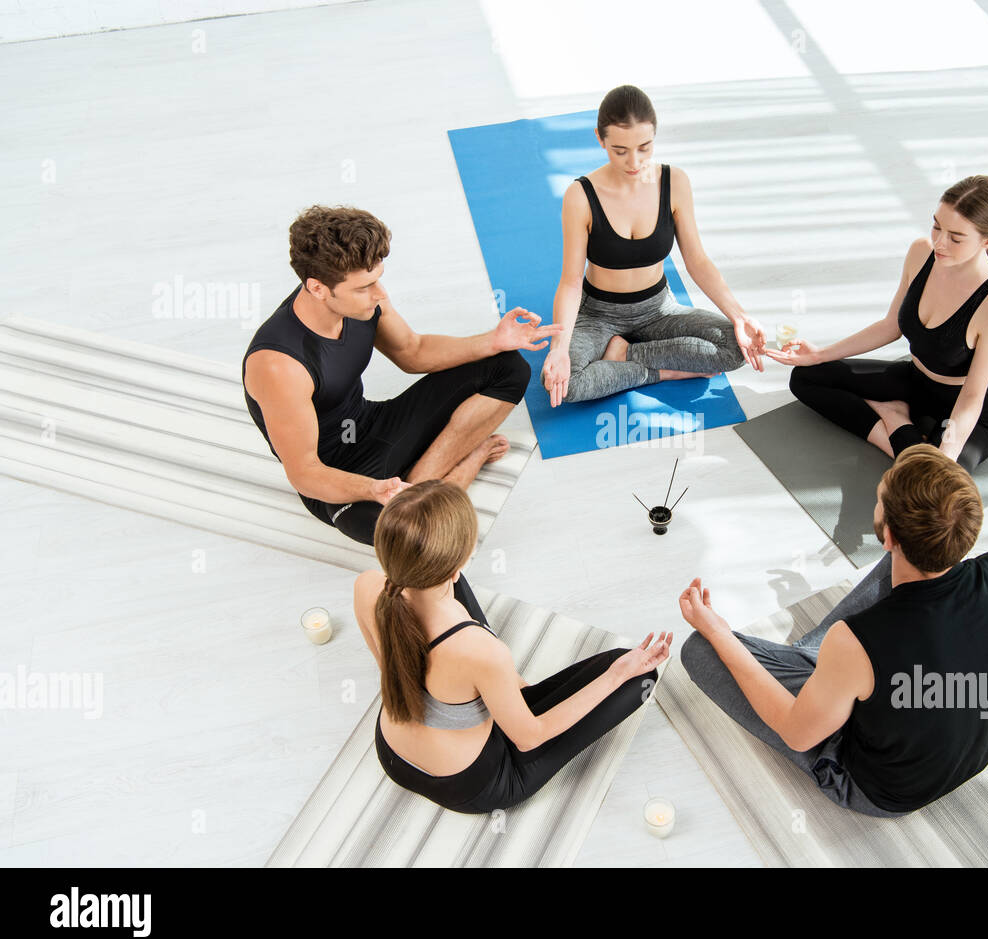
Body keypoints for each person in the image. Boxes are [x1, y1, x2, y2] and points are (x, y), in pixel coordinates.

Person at [677, 444, 988, 816]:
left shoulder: (853, 643)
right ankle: (830, 678)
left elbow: (796, 734)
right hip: (969, 756)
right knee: (896, 568)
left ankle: (826, 677)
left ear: (888, 533)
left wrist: (717, 632)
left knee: (700, 648)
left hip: (878, 790)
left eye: (879, 499)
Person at [243, 205, 551, 548]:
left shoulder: (363, 302)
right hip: (338, 475)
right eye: (364, 287)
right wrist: (374, 489)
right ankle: (465, 461)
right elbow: (305, 472)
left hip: (374, 425)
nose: (379, 295)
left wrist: (493, 340)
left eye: (378, 278)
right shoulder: (278, 363)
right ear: (317, 288)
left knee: (508, 368)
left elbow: (413, 352)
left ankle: (417, 488)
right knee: (409, 538)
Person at [354, 480, 670, 813]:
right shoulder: (481, 651)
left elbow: (397, 666)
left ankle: (507, 695)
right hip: (470, 785)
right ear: (457, 563)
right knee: (638, 676)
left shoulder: (368, 588)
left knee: (463, 616)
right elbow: (530, 737)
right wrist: (616, 675)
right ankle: (513, 696)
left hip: (392, 755)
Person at [766, 175, 988, 472]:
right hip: (914, 381)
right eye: (936, 226)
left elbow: (973, 396)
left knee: (934, 476)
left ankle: (897, 421)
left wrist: (945, 454)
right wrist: (818, 354)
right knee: (806, 377)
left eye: (955, 237)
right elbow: (890, 326)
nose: (939, 242)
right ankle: (899, 428)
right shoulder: (922, 253)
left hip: (964, 409)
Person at [540, 84, 765, 406]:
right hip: (599, 314)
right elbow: (571, 281)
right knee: (561, 383)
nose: (634, 161)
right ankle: (661, 371)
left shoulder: (675, 183)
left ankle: (625, 353)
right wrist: (559, 349)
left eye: (644, 147)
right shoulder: (581, 195)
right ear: (599, 139)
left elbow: (697, 261)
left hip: (659, 309)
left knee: (736, 346)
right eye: (620, 150)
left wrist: (740, 316)